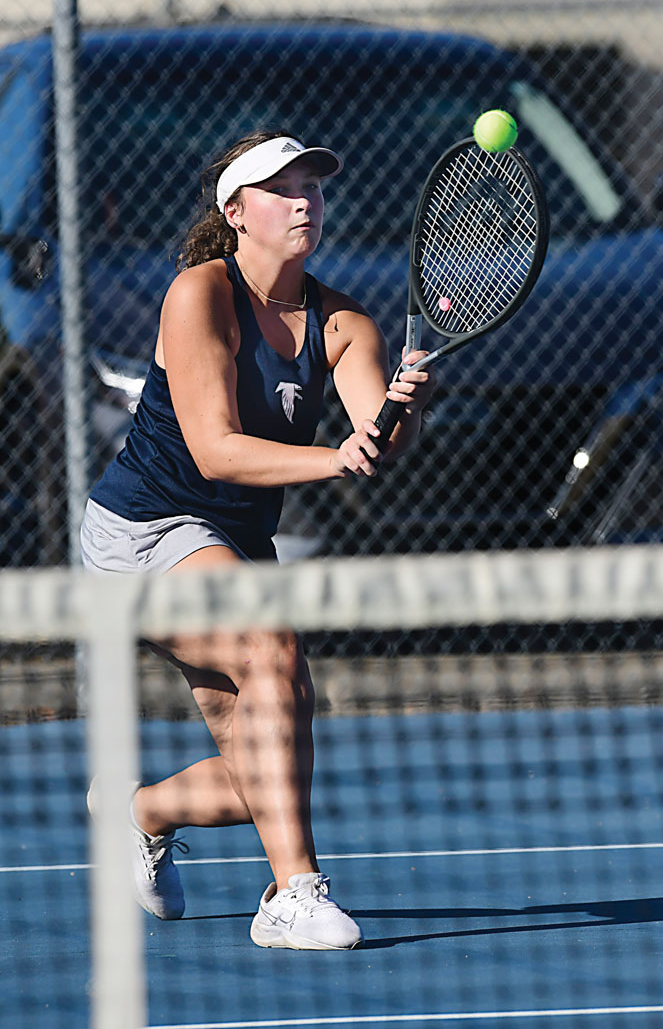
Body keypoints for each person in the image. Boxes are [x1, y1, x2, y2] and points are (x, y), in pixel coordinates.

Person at [81, 130, 435, 950]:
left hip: (233, 543)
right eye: (280, 188)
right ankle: (292, 895)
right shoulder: (198, 295)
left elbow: (373, 443)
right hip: (144, 532)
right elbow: (215, 448)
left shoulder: (344, 323)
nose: (303, 197)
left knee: (267, 772)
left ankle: (137, 812)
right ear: (236, 213)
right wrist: (331, 457)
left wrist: (399, 411)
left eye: (312, 182)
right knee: (274, 649)